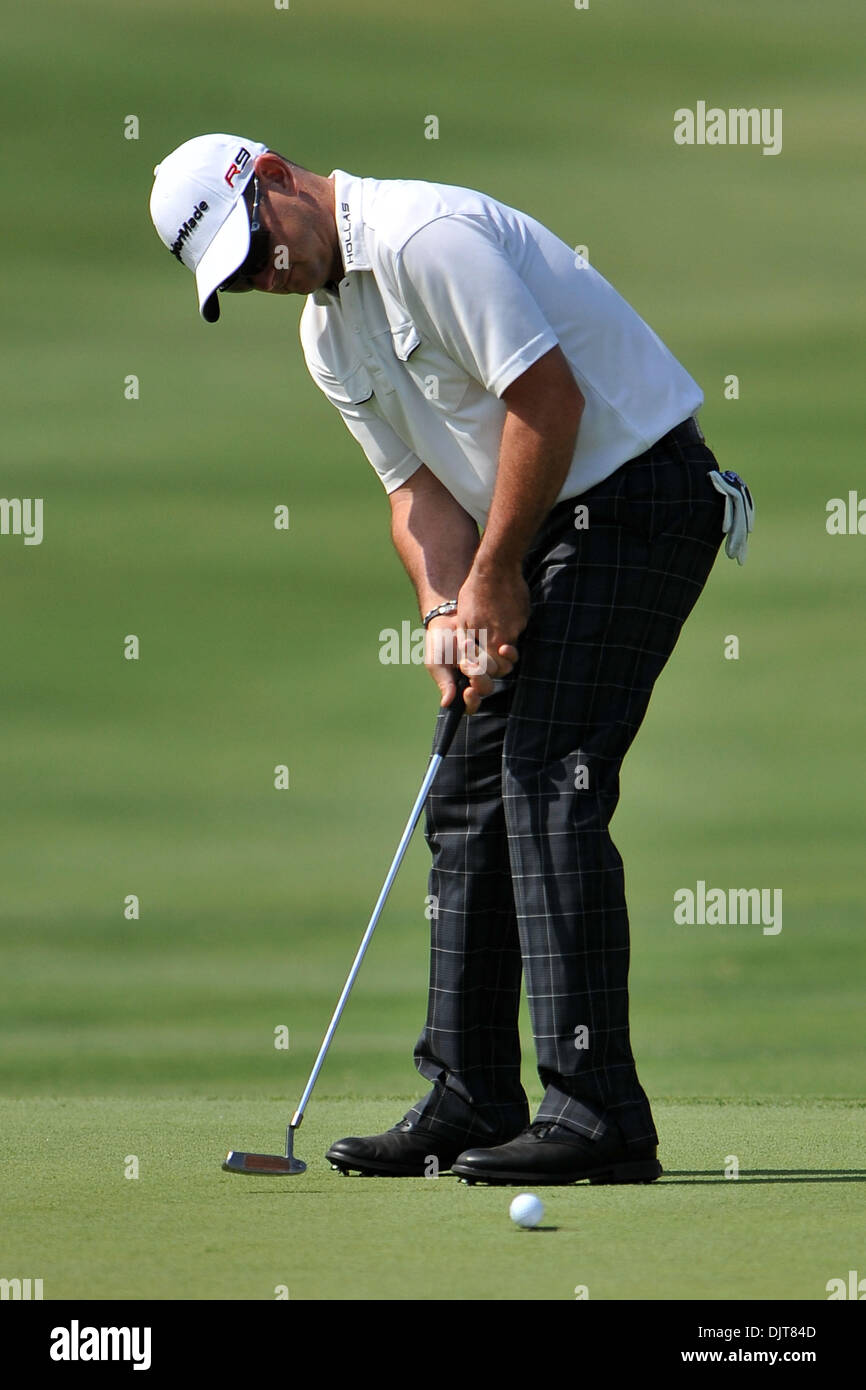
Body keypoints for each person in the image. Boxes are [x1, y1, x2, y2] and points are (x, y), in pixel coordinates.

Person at [150, 133, 753, 1186]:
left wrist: (497, 575)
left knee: (546, 773)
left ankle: (597, 1112)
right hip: (542, 525)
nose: (264, 274)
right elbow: (415, 495)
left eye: (257, 247)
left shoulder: (426, 239)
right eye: (238, 277)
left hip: (639, 499)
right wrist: (443, 608)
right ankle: (468, 1092)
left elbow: (547, 403)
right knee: (467, 789)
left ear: (277, 177)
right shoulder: (328, 337)